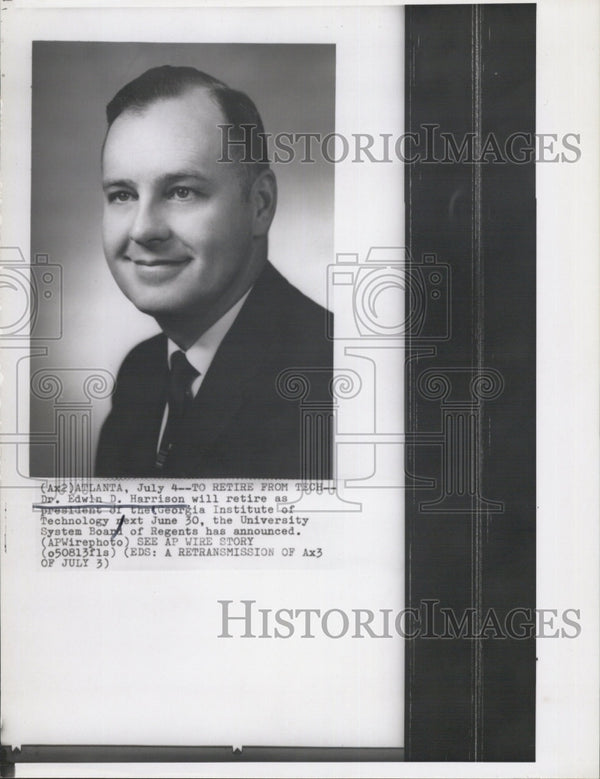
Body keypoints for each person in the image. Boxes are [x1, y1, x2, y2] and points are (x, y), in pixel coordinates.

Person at [95, 65, 333, 478]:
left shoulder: (331, 376)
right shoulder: (142, 372)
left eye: (182, 191)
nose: (143, 229)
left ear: (259, 205)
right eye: (123, 194)